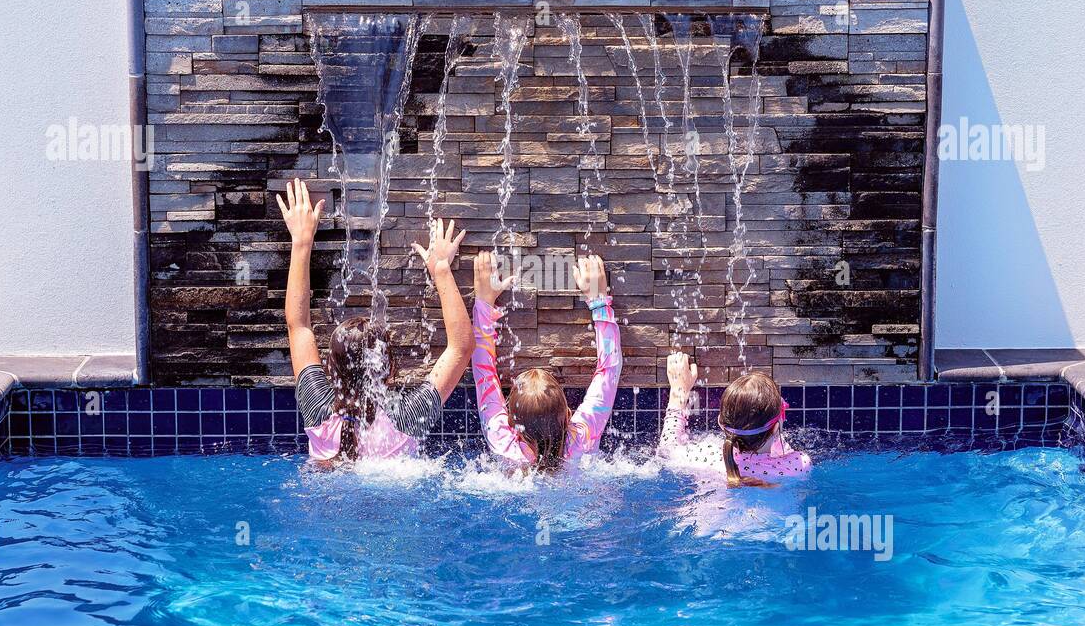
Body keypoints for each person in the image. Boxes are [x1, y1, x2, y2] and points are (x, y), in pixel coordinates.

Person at [277, 178, 472, 465]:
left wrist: (302, 241)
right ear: (389, 366)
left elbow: (298, 326)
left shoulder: (319, 409)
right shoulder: (406, 417)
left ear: (331, 367)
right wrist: (441, 269)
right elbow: (461, 348)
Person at [470, 252, 622, 472]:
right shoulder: (581, 438)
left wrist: (484, 303)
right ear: (568, 414)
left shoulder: (502, 441)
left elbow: (483, 374)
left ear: (511, 423)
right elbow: (609, 371)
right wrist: (599, 302)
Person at [658, 353, 810, 487]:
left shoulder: (703, 459)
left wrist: (679, 390)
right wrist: (773, 433)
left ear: (721, 423)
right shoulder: (798, 464)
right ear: (776, 427)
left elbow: (668, 448)